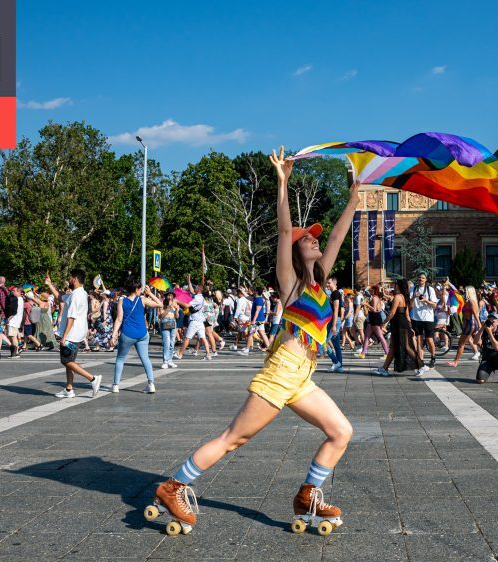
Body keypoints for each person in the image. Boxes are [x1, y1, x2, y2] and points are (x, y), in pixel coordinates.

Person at [149, 147, 357, 536]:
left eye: (314, 238)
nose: (314, 240)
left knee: (341, 431)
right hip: (282, 372)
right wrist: (283, 183)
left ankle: (307, 495)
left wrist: (354, 198)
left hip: (302, 376)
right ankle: (173, 487)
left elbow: (340, 234)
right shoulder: (291, 283)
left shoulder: (320, 279)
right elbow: (283, 230)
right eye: (307, 239)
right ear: (295, 250)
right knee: (234, 438)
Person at [46, 270, 102, 398]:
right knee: (69, 361)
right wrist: (49, 284)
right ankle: (69, 389)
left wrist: (64, 337)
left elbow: (71, 317)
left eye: (71, 277)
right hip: (77, 333)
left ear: (75, 279)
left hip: (72, 334)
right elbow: (60, 297)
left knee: (66, 361)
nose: (69, 280)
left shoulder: (76, 296)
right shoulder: (79, 293)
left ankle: (92, 378)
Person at [111, 282, 162, 394]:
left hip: (127, 334)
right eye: (141, 289)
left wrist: (114, 335)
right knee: (145, 359)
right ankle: (151, 384)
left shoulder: (122, 301)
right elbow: (160, 304)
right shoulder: (142, 300)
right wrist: (150, 294)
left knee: (120, 359)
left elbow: (119, 319)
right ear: (137, 289)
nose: (142, 290)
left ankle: (115, 385)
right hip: (142, 334)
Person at [374, 278, 425, 377]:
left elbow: (392, 312)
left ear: (398, 286)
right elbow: (406, 314)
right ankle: (384, 368)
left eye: (395, 284)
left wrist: (383, 323)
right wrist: (410, 327)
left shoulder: (398, 297)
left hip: (399, 325)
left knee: (406, 346)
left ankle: (421, 365)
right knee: (393, 347)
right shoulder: (403, 296)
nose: (394, 286)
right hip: (402, 324)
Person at [447, 285, 481, 367]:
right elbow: (455, 291)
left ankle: (455, 362)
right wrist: (448, 284)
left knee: (461, 343)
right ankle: (490, 351)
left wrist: (479, 325)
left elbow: (475, 314)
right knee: (475, 341)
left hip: (470, 324)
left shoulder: (471, 301)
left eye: (466, 291)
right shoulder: (468, 300)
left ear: (469, 292)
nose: (464, 292)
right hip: (468, 324)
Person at [409, 272, 439, 368]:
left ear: (426, 279)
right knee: (418, 340)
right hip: (416, 318)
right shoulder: (413, 289)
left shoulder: (430, 290)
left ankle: (433, 358)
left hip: (428, 318)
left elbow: (434, 305)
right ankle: (420, 361)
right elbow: (409, 304)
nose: (421, 279)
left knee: (429, 340)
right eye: (419, 277)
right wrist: (414, 296)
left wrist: (425, 300)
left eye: (423, 278)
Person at [476, 315, 498, 384]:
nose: (491, 323)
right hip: (487, 360)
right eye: (489, 321)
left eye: (493, 321)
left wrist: (490, 332)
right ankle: (488, 370)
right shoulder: (485, 331)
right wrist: (482, 328)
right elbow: (475, 342)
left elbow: (497, 347)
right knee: (480, 381)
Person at [160, 291, 180, 369]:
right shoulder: (162, 304)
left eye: (171, 296)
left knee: (172, 343)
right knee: (167, 343)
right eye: (168, 295)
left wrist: (177, 310)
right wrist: (169, 307)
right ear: (166, 296)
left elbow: (177, 317)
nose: (170, 297)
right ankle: (165, 361)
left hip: (173, 323)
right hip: (165, 322)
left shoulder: (174, 304)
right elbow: (161, 315)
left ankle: (170, 360)